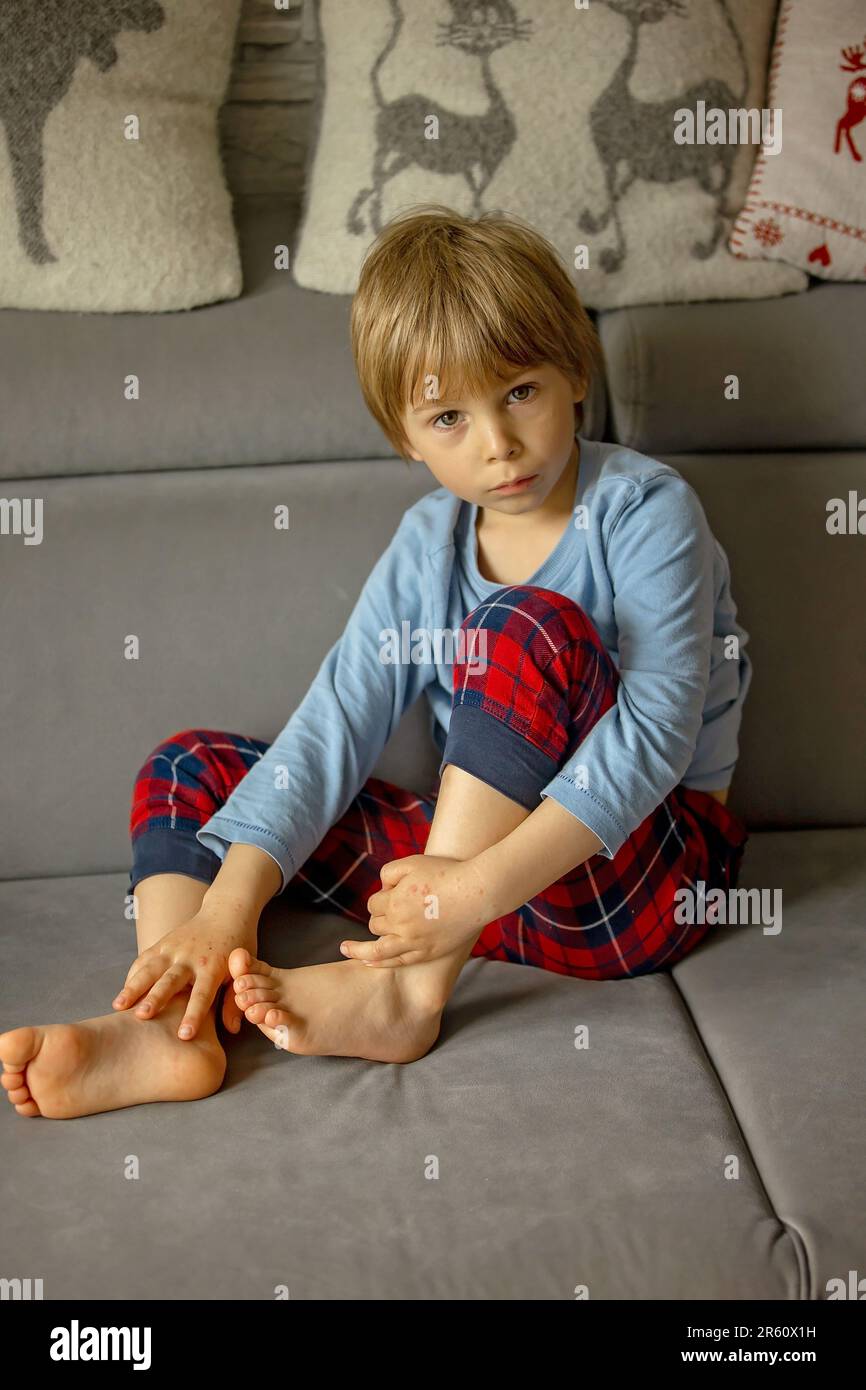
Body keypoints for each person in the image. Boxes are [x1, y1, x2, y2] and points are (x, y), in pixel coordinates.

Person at [0, 205, 752, 1118]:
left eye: (520, 391)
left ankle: (407, 995)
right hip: (468, 887)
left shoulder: (643, 510)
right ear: (405, 435)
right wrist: (228, 911)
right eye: (448, 416)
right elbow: (337, 722)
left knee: (525, 625)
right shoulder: (427, 543)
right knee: (188, 768)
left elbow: (656, 732)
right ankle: (173, 1020)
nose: (497, 444)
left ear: (575, 374)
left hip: (635, 879)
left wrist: (470, 892)